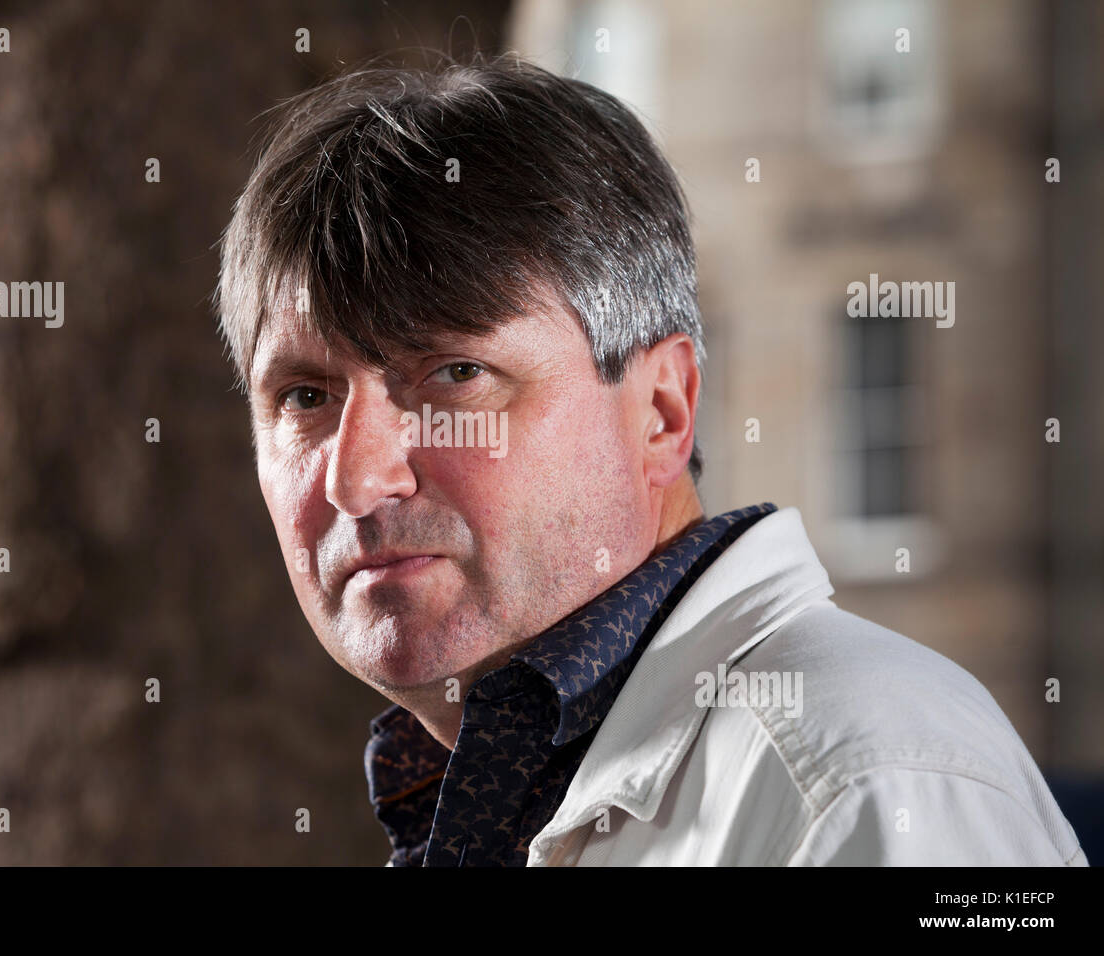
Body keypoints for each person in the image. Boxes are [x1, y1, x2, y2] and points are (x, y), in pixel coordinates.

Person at [213, 53, 1086, 866]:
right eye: (305, 398)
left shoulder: (873, 791)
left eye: (455, 375)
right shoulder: (480, 788)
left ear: (663, 412)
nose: (358, 480)